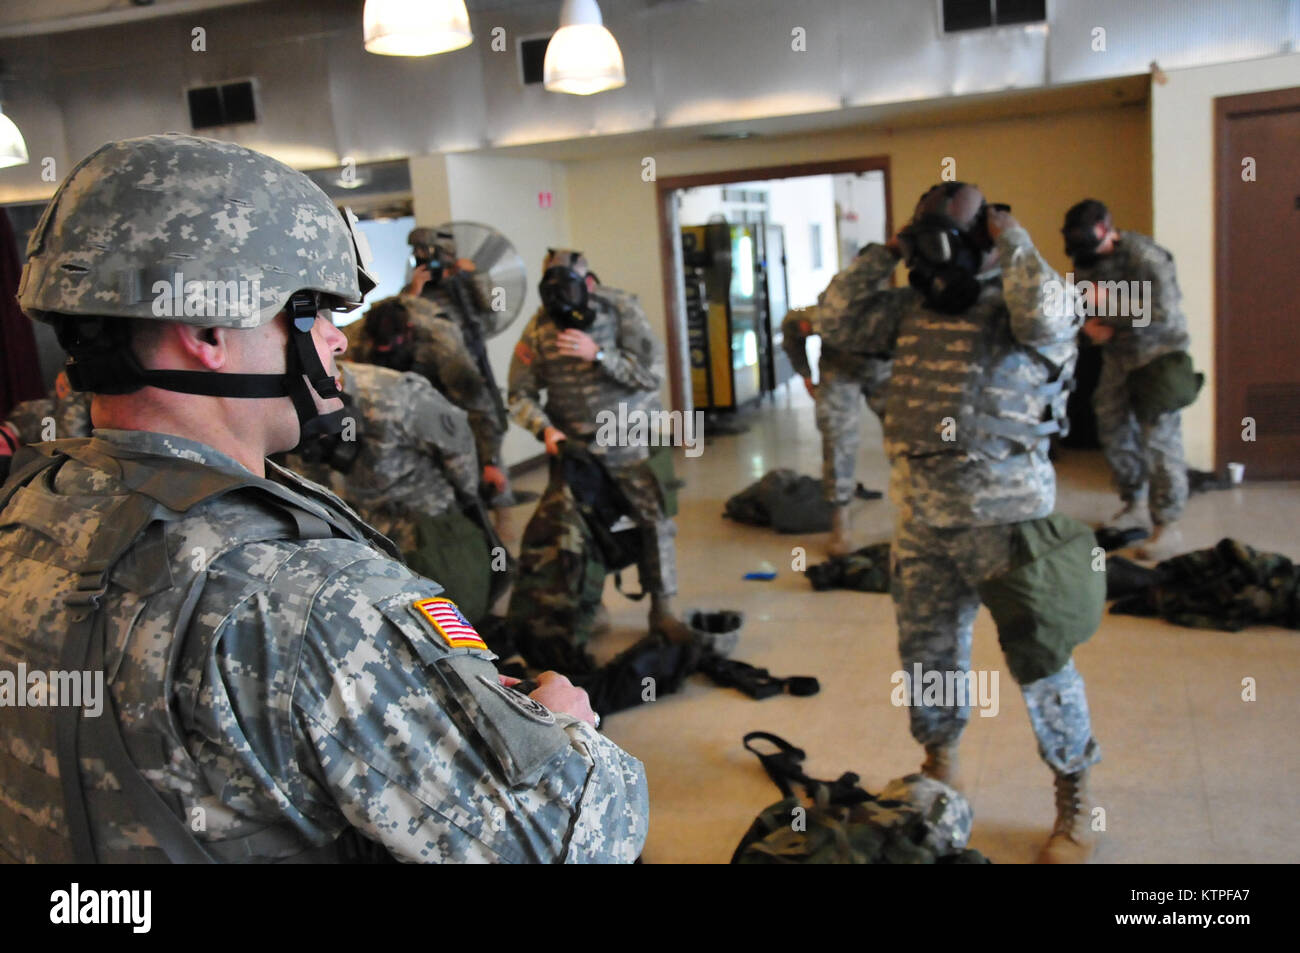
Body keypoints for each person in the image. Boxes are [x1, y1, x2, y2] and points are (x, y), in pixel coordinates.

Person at [0, 133, 648, 864]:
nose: (340, 340)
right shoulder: (308, 599)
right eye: (313, 311)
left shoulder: (24, 512)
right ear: (209, 328)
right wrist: (565, 730)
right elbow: (577, 837)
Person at [859, 182, 1103, 863]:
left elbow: (1056, 318)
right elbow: (840, 321)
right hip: (924, 517)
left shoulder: (1025, 300)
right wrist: (882, 253)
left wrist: (1012, 237)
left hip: (1010, 519)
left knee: (1042, 659)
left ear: (986, 237)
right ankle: (942, 764)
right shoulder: (912, 305)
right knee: (929, 655)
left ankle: (1075, 793)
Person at [508, 248, 690, 644]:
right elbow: (518, 394)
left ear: (588, 282)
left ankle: (664, 610)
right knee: (577, 531)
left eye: (567, 280)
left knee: (654, 522)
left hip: (628, 437)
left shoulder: (620, 309)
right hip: (574, 448)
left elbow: (651, 375)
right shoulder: (540, 328)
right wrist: (544, 431)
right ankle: (591, 604)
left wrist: (601, 355)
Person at [1062, 199, 1192, 561]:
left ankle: (1168, 525)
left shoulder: (1146, 256)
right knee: (1112, 428)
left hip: (1157, 357)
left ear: (1106, 228)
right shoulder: (1084, 257)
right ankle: (1133, 503)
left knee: (1160, 442)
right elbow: (1082, 307)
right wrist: (1088, 330)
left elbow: (1162, 311)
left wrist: (1112, 302)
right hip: (1118, 356)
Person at [782, 242, 917, 555]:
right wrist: (804, 374)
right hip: (839, 370)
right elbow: (792, 326)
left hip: (882, 371)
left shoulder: (896, 305)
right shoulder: (831, 307)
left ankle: (915, 516)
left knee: (907, 439)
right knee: (838, 439)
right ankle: (840, 518)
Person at [351, 294, 510, 507]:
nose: (386, 353)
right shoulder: (357, 336)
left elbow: (477, 404)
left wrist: (490, 460)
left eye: (392, 346)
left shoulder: (442, 341)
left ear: (408, 331)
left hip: (454, 408)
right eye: (380, 348)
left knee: (488, 489)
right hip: (405, 416)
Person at [406, 228, 513, 505]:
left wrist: (471, 275)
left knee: (488, 439)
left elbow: (491, 306)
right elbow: (403, 321)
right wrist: (412, 291)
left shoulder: (464, 283)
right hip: (436, 382)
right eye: (416, 252)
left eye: (425, 252)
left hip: (471, 376)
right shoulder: (417, 290)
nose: (420, 258)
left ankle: (502, 511)